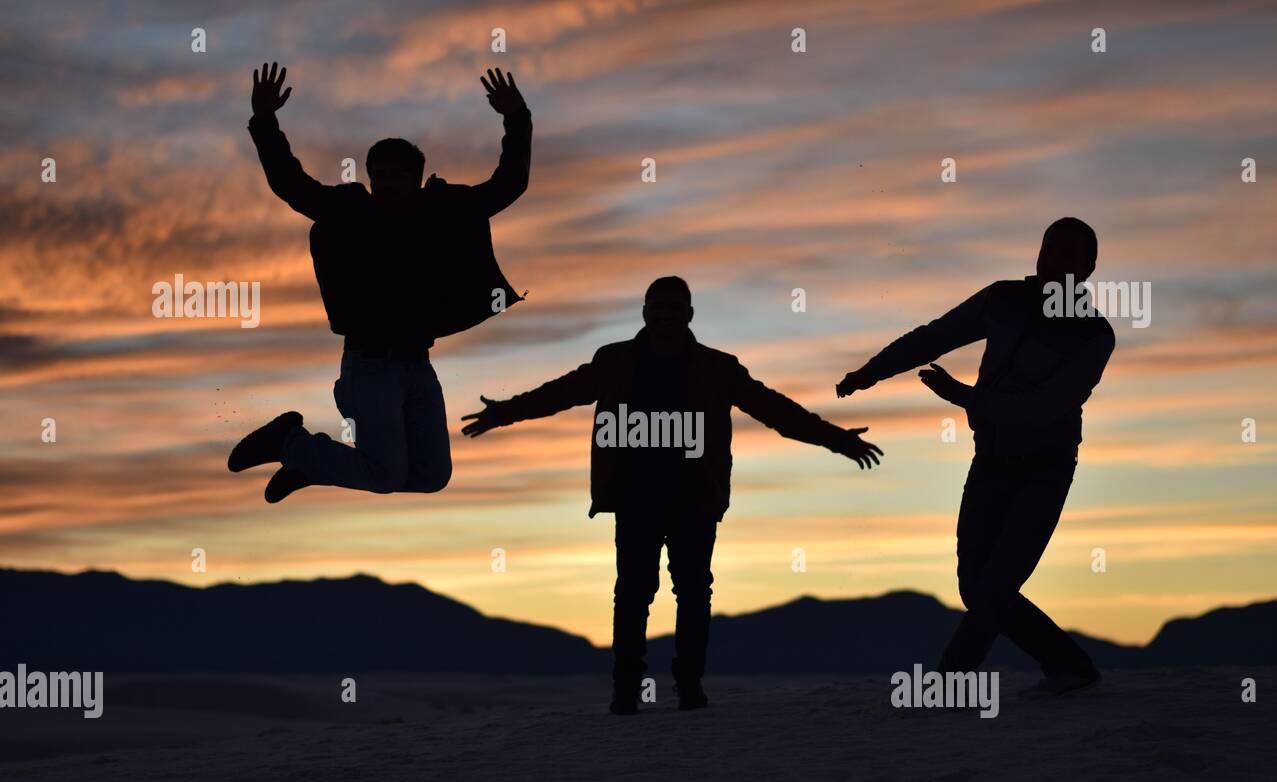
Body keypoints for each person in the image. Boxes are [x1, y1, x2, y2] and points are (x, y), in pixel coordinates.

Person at [462, 276, 883, 714]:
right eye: (656, 308)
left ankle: (689, 686)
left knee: (694, 591)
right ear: (645, 313)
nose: (664, 316)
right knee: (633, 592)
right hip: (634, 495)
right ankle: (626, 690)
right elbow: (560, 393)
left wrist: (837, 439)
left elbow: (775, 409)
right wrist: (505, 413)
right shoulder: (615, 361)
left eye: (673, 309)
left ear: (689, 315)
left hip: (694, 497)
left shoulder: (719, 368)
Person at [228, 63, 532, 502]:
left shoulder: (442, 211)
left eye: (397, 174)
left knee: (430, 475)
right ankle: (289, 443)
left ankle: (312, 461)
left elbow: (509, 184)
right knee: (385, 472)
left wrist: (516, 117)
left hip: (417, 363)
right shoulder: (351, 211)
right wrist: (265, 121)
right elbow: (290, 184)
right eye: (379, 174)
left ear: (415, 177)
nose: (386, 182)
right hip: (368, 365)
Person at [837, 218, 1114, 696]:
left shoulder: (1094, 336)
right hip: (990, 461)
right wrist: (871, 372)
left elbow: (1043, 408)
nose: (1055, 261)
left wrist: (963, 397)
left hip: (1045, 468)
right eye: (1049, 250)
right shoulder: (1003, 299)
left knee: (994, 587)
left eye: (1069, 255)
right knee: (976, 586)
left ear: (1089, 267)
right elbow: (935, 336)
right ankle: (1069, 664)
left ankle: (948, 683)